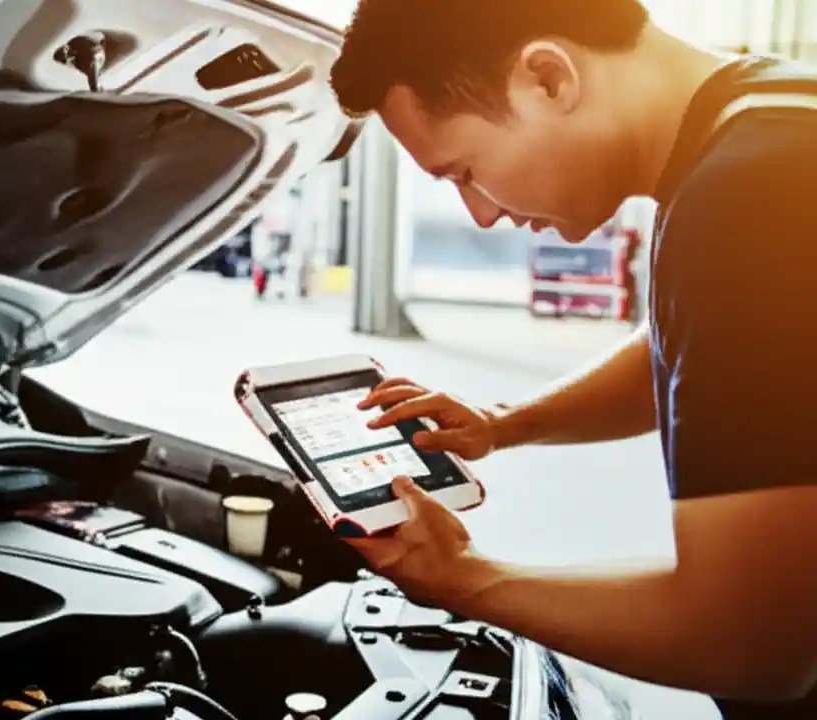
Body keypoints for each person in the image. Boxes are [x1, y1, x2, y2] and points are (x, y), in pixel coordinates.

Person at [328, 2, 817, 717]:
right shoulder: (776, 114)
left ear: (549, 78)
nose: (481, 214)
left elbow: (755, 643)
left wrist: (464, 580)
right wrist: (505, 423)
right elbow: (700, 348)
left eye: (464, 171)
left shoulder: (746, 202)